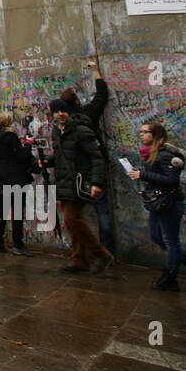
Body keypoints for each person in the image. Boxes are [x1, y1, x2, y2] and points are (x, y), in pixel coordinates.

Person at [126, 121, 186, 290]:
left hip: (169, 202)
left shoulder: (166, 155)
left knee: (171, 241)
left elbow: (171, 180)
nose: (142, 135)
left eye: (145, 132)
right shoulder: (151, 153)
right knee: (156, 236)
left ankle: (170, 278)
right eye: (141, 132)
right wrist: (142, 173)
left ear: (156, 135)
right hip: (158, 202)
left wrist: (143, 174)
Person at [50, 98, 113, 274]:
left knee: (71, 218)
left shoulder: (81, 131)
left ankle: (101, 254)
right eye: (56, 111)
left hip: (79, 182)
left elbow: (96, 157)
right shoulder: (57, 132)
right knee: (71, 223)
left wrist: (96, 182)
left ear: (68, 112)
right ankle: (79, 260)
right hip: (64, 182)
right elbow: (61, 156)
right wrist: (47, 161)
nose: (60, 114)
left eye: (63, 110)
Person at [60, 59, 115, 254]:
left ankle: (82, 255)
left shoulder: (63, 125)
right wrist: (96, 72)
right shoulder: (88, 114)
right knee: (102, 210)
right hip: (93, 170)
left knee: (74, 216)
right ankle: (107, 252)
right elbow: (101, 95)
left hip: (75, 174)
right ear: (76, 102)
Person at [0, 112, 36, 255]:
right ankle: (18, 245)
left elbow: (6, 150)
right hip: (15, 177)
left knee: (3, 209)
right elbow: (21, 156)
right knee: (17, 212)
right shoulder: (10, 137)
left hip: (1, 177)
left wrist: (18, 143)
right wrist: (28, 144)